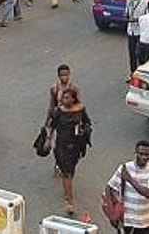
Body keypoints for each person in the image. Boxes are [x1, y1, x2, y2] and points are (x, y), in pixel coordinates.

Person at [47, 86, 92, 214]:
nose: (64, 100)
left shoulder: (80, 109)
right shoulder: (59, 111)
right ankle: (70, 202)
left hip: (76, 146)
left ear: (73, 99)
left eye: (67, 97)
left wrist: (84, 130)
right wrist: (48, 140)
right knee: (67, 172)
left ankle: (67, 188)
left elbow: (87, 123)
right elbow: (51, 126)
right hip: (62, 146)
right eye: (63, 97)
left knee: (70, 171)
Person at [106, 140, 149, 234]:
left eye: (147, 155)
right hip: (128, 223)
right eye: (141, 154)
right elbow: (109, 188)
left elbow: (148, 193)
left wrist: (130, 179)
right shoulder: (125, 168)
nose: (144, 157)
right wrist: (112, 214)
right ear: (135, 153)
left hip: (146, 223)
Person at [124, 0, 148, 74]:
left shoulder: (145, 1)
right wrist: (126, 17)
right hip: (131, 31)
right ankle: (132, 72)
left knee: (139, 54)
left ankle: (140, 71)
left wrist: (136, 20)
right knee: (132, 53)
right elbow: (127, 12)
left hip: (140, 32)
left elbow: (146, 18)